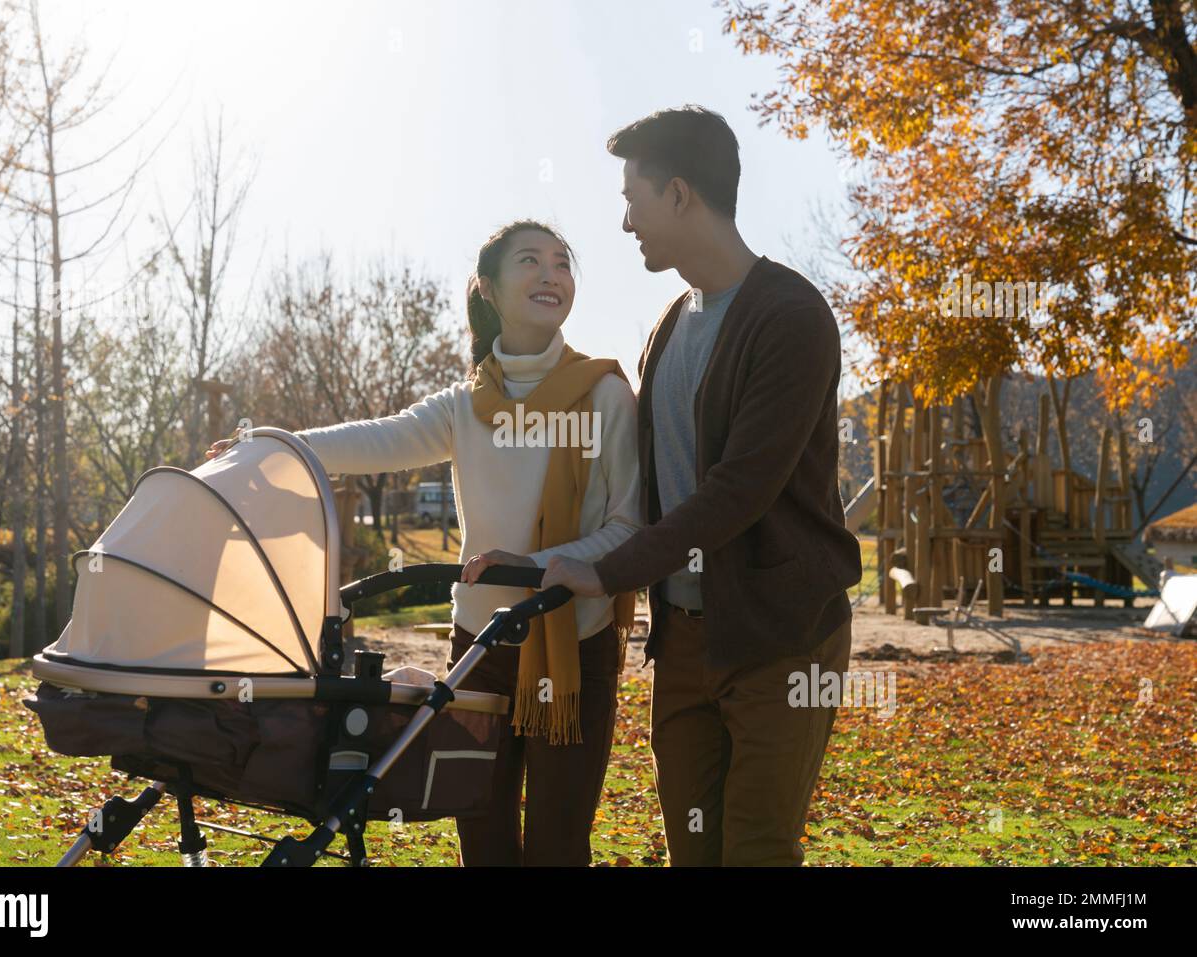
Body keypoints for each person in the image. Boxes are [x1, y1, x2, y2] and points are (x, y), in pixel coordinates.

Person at [209, 220, 640, 866]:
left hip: (574, 647)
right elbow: (380, 438)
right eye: (531, 261)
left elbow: (629, 528)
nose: (552, 274)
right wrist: (279, 444)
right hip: (479, 647)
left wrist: (538, 567)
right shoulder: (466, 405)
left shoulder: (605, 394)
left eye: (562, 262)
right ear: (488, 288)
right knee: (482, 839)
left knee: (558, 844)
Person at [540, 106, 864, 866]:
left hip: (780, 636)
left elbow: (738, 491)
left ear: (679, 193)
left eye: (633, 199)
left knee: (754, 850)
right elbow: (650, 486)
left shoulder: (790, 317)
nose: (626, 223)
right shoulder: (666, 327)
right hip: (683, 642)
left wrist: (604, 571)